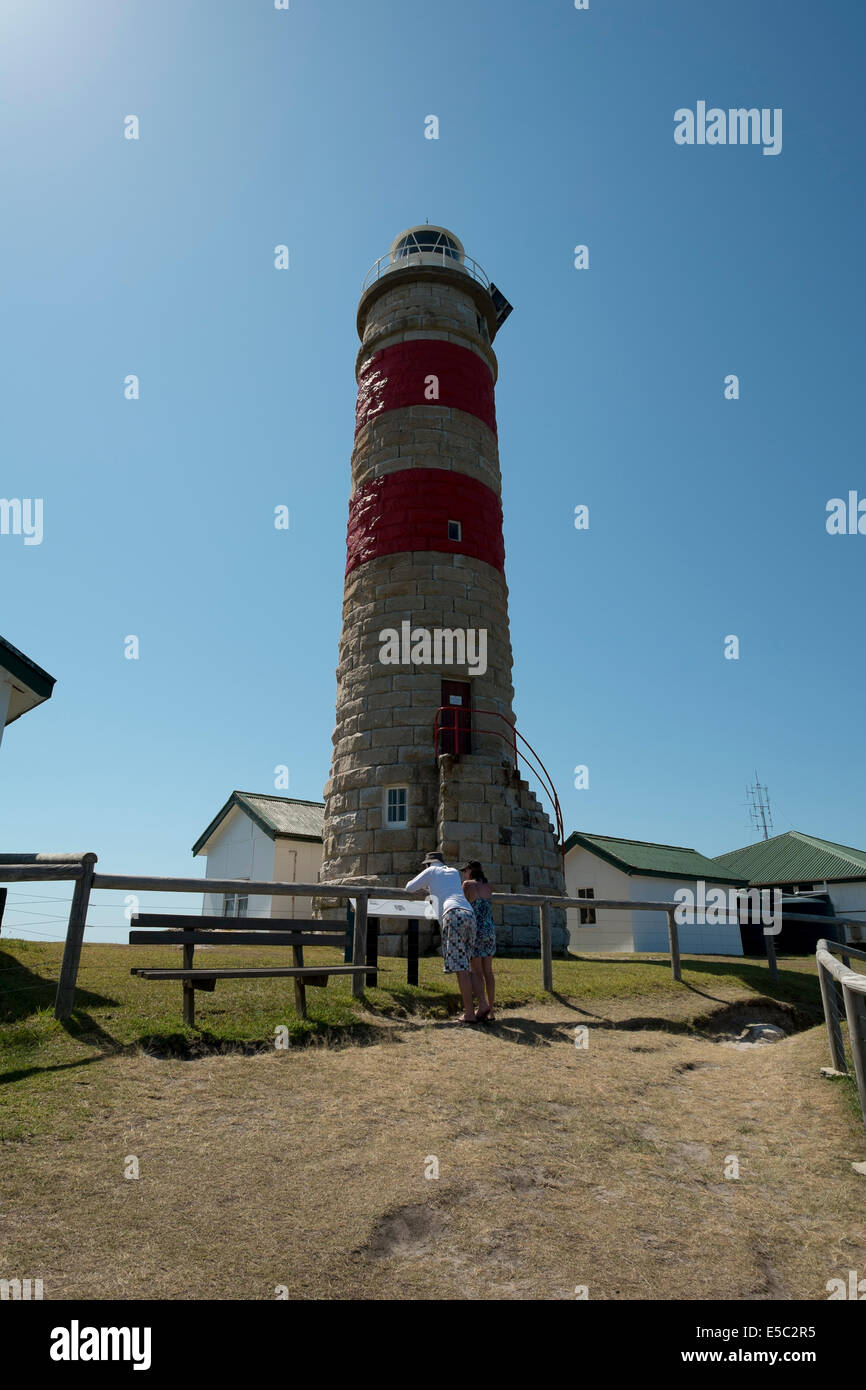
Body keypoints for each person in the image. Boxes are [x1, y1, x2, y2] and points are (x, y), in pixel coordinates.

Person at [405, 851, 484, 1023]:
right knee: (469, 964)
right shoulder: (454, 872)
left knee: (460, 968)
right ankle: (483, 1004)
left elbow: (409, 887)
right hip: (469, 914)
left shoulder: (430, 872)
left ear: (428, 864)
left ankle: (469, 1013)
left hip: (453, 914)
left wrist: (425, 887)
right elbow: (445, 888)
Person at [462, 860, 496, 1022]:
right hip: (489, 930)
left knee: (475, 970)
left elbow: (463, 904)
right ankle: (492, 1011)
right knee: (488, 971)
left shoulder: (467, 885)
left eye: (465, 870)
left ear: (470, 870)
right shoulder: (488, 886)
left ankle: (482, 1005)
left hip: (475, 930)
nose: (464, 873)